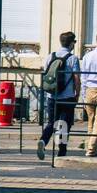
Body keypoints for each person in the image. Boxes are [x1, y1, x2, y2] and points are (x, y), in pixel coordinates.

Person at [37, 31, 81, 159]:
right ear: (72, 43)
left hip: (52, 96)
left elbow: (46, 74)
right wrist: (77, 94)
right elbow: (77, 79)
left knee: (52, 123)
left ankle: (43, 141)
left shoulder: (51, 56)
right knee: (64, 124)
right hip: (67, 97)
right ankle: (61, 152)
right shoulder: (73, 58)